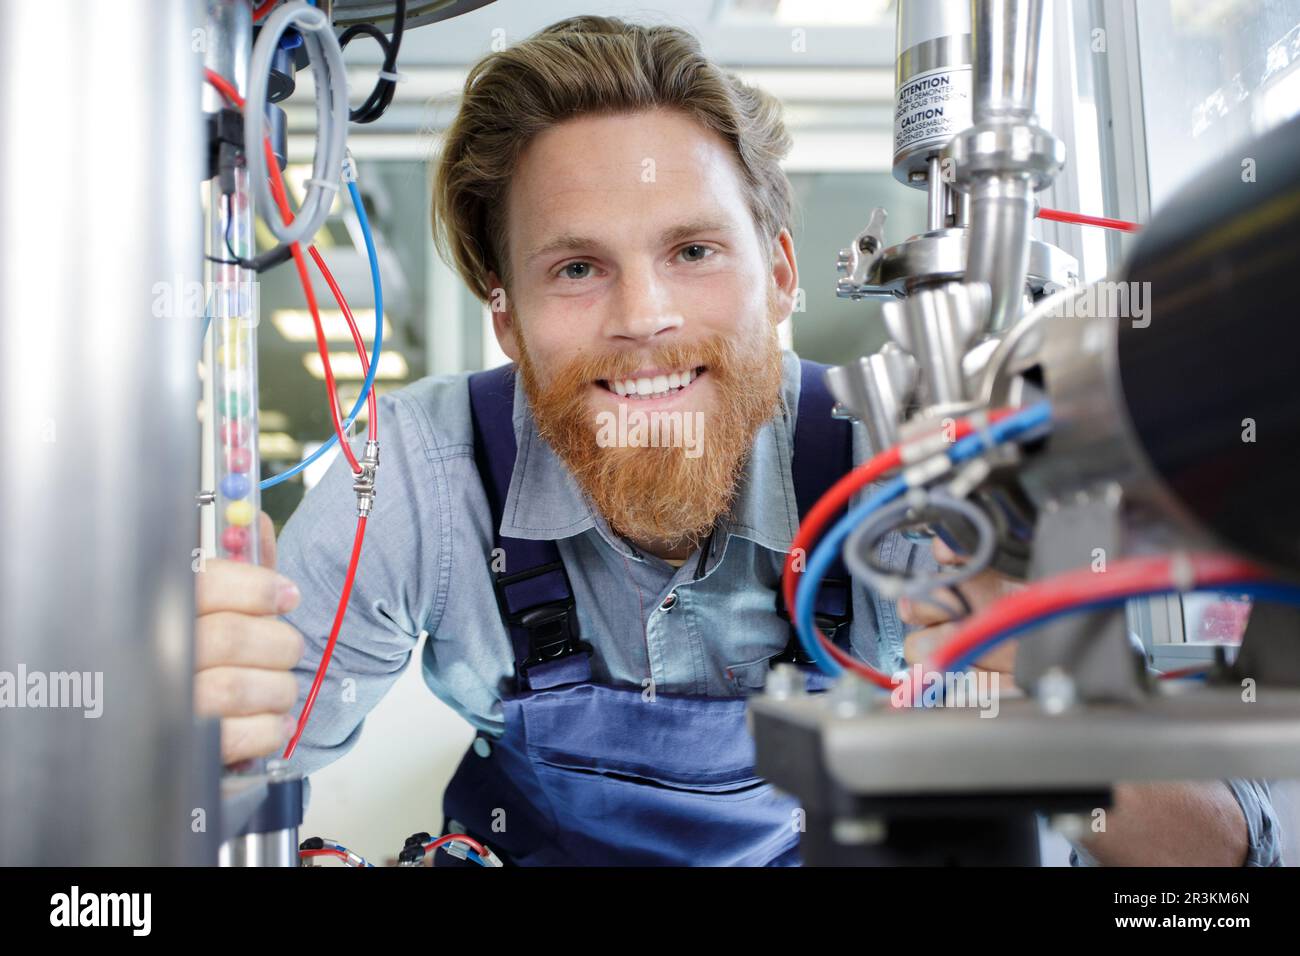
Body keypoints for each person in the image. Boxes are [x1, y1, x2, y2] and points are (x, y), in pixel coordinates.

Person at [192, 15, 1278, 866]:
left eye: (695, 249)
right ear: (507, 319)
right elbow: (221, 783)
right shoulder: (421, 472)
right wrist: (196, 710)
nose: (643, 316)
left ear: (784, 275)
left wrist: (1044, 711)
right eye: (576, 267)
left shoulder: (915, 462)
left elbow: (1229, 848)